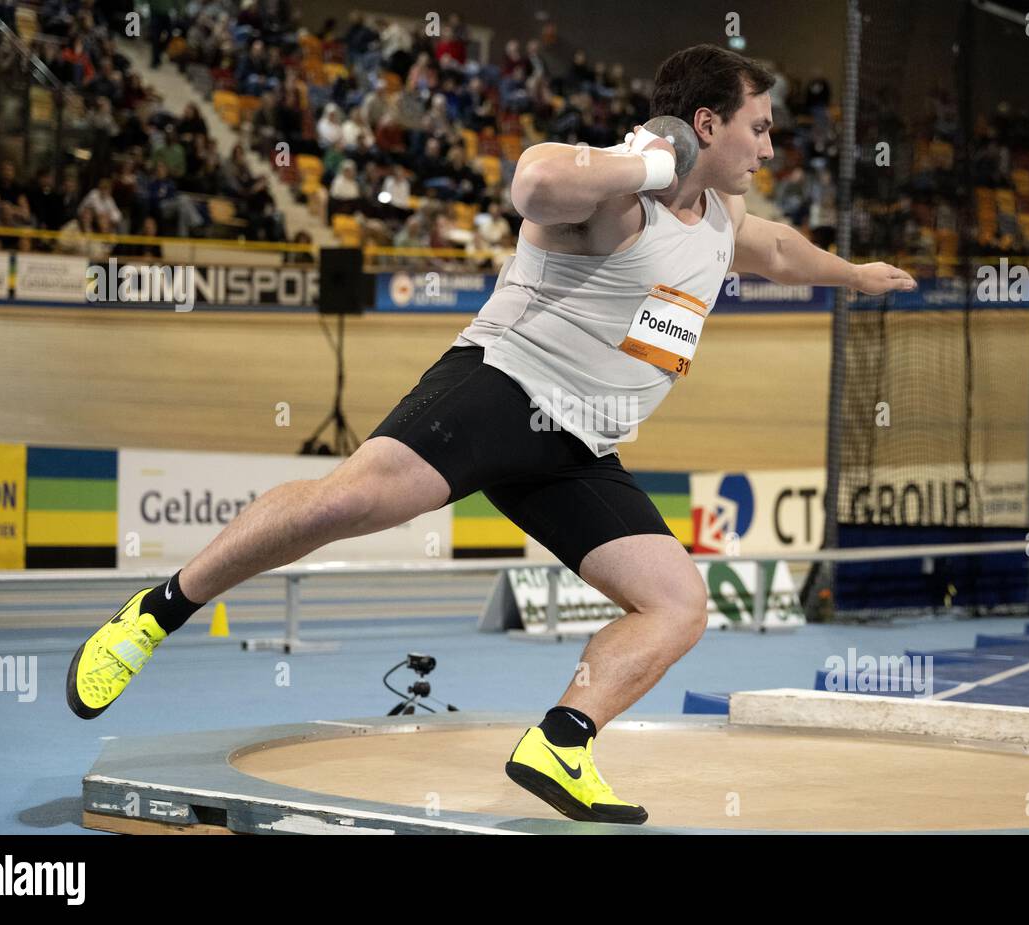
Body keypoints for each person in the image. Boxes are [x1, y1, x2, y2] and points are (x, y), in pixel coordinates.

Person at [65, 44, 914, 826]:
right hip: (501, 391)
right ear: (705, 126)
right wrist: (648, 163)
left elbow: (779, 250)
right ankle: (155, 611)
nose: (769, 149)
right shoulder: (618, 200)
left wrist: (857, 275)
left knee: (677, 602)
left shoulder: (722, 221)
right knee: (349, 500)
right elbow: (532, 181)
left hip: (578, 450)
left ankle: (562, 740)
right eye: (758, 128)